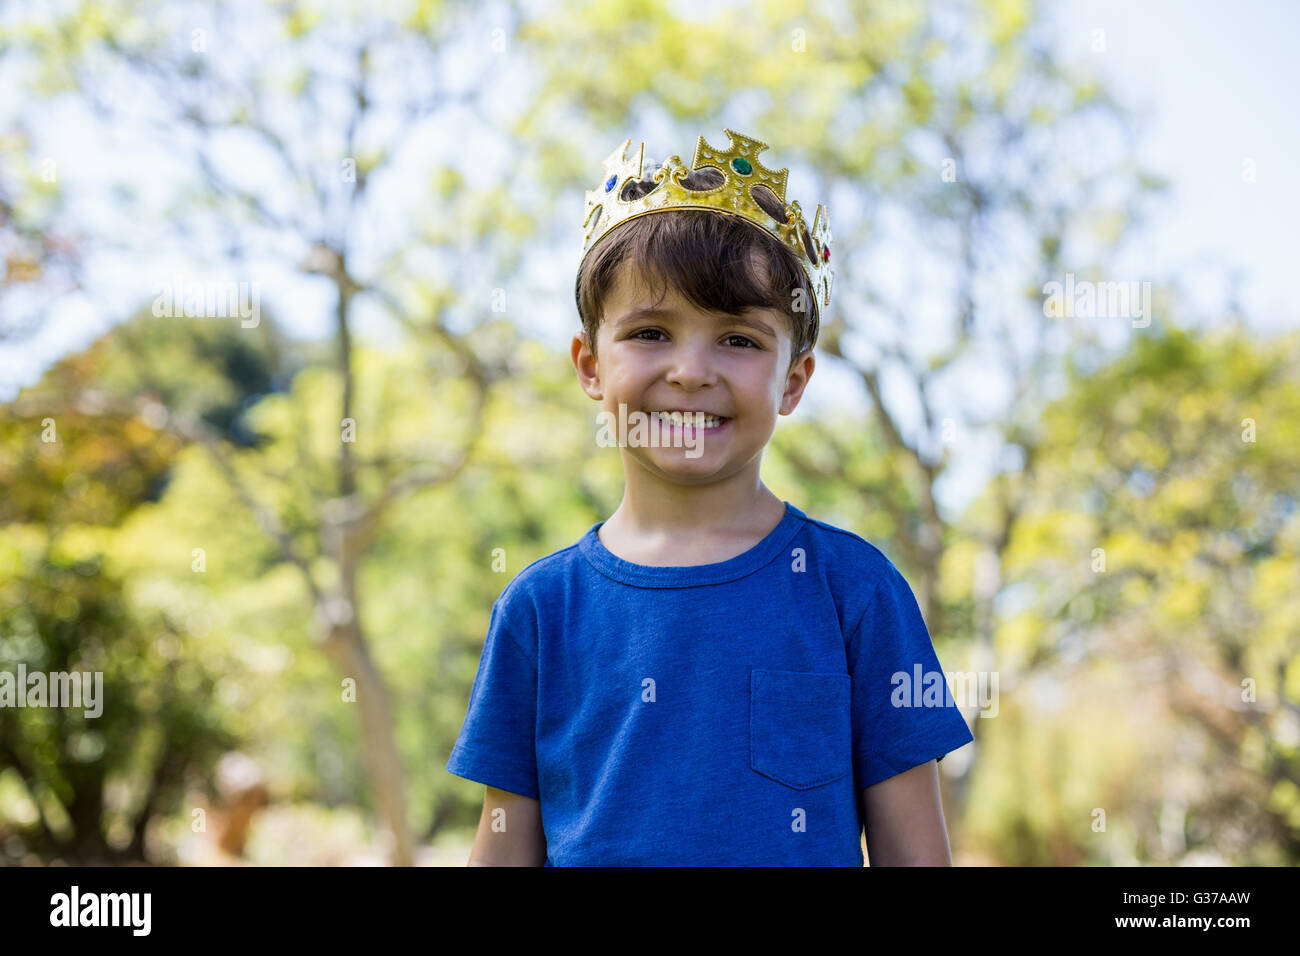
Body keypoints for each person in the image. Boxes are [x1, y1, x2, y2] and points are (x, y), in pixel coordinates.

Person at [446, 128, 975, 866]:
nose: (691, 372)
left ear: (793, 382)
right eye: (652, 331)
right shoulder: (540, 610)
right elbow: (504, 845)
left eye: (739, 339)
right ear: (591, 365)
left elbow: (915, 853)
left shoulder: (855, 592)